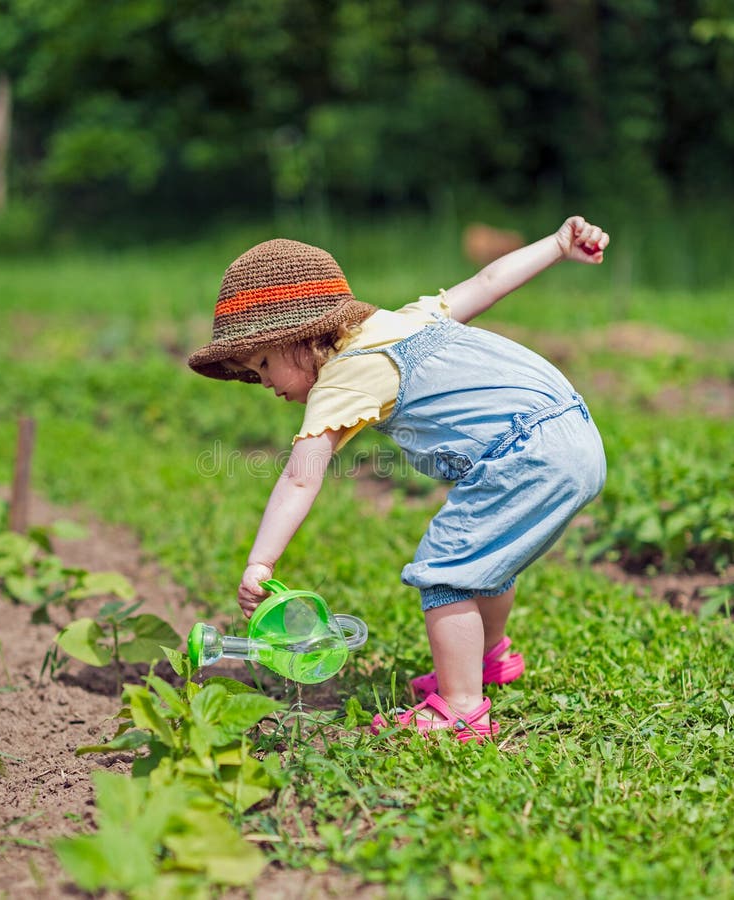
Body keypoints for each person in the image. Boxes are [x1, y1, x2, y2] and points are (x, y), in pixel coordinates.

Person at [188, 217, 609, 744]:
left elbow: (300, 478)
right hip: (576, 436)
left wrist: (260, 561)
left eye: (264, 364)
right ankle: (487, 659)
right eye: (253, 374)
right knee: (488, 559)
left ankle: (460, 707)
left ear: (301, 337)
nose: (264, 382)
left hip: (526, 453)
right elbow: (487, 283)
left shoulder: (343, 375)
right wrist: (556, 245)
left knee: (446, 572)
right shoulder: (406, 320)